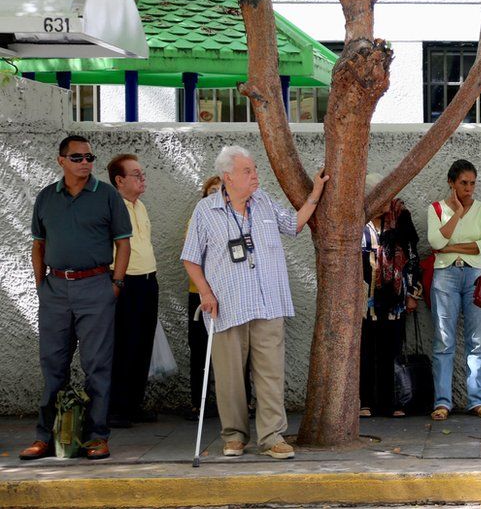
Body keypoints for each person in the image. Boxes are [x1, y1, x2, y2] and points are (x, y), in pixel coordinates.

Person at [180, 145, 327, 459]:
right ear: (228, 177)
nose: (255, 176)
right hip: (227, 306)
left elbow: (293, 225)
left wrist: (315, 193)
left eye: (255, 170)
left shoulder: (263, 202)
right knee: (230, 377)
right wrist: (205, 293)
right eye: (248, 171)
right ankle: (234, 436)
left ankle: (273, 436)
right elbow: (190, 259)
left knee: (270, 373)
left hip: (267, 302)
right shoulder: (206, 211)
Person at [20, 135, 132, 461]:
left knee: (96, 366)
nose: (85, 163)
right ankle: (46, 437)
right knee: (53, 365)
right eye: (77, 157)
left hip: (96, 286)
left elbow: (123, 244)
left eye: (89, 157)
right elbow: (38, 245)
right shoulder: (45, 198)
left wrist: (116, 285)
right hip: (55, 289)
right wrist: (42, 286)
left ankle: (97, 436)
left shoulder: (107, 196)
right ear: (61, 161)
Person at [427, 160, 481, 421]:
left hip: (476, 276)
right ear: (451, 183)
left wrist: (450, 246)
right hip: (445, 275)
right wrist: (455, 212)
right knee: (444, 341)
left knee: (478, 341)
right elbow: (435, 242)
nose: (469, 188)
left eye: (472, 183)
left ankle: (477, 400)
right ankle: (442, 402)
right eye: (463, 183)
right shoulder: (436, 209)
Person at [360, 173, 422, 418]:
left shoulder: (400, 216)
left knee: (392, 349)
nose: (386, 201)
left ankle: (393, 402)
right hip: (365, 297)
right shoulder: (357, 219)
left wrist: (413, 293)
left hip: (395, 297)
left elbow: (412, 256)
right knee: (366, 351)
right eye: (380, 196)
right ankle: (365, 401)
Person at [105, 154, 160, 429]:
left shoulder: (140, 207)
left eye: (142, 173)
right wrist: (116, 282)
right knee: (123, 345)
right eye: (136, 174)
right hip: (125, 283)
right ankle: (116, 408)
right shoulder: (112, 207)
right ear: (119, 180)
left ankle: (134, 404)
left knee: (142, 344)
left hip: (148, 281)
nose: (142, 178)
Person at [183, 175, 222, 421]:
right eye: (211, 191)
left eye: (221, 190)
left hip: (228, 295)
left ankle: (241, 402)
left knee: (233, 351)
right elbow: (191, 256)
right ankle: (199, 402)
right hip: (199, 294)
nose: (216, 194)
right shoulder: (197, 219)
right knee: (199, 350)